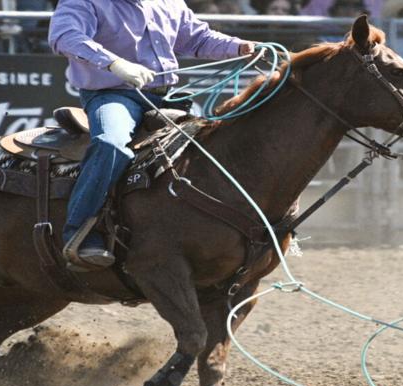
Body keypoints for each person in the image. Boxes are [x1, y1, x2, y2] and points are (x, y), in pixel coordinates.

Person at [49, 0, 261, 269]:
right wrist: (113, 63)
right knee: (110, 144)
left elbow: (197, 38)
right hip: (113, 94)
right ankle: (78, 232)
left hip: (167, 98)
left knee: (214, 147)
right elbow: (64, 36)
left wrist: (239, 46)